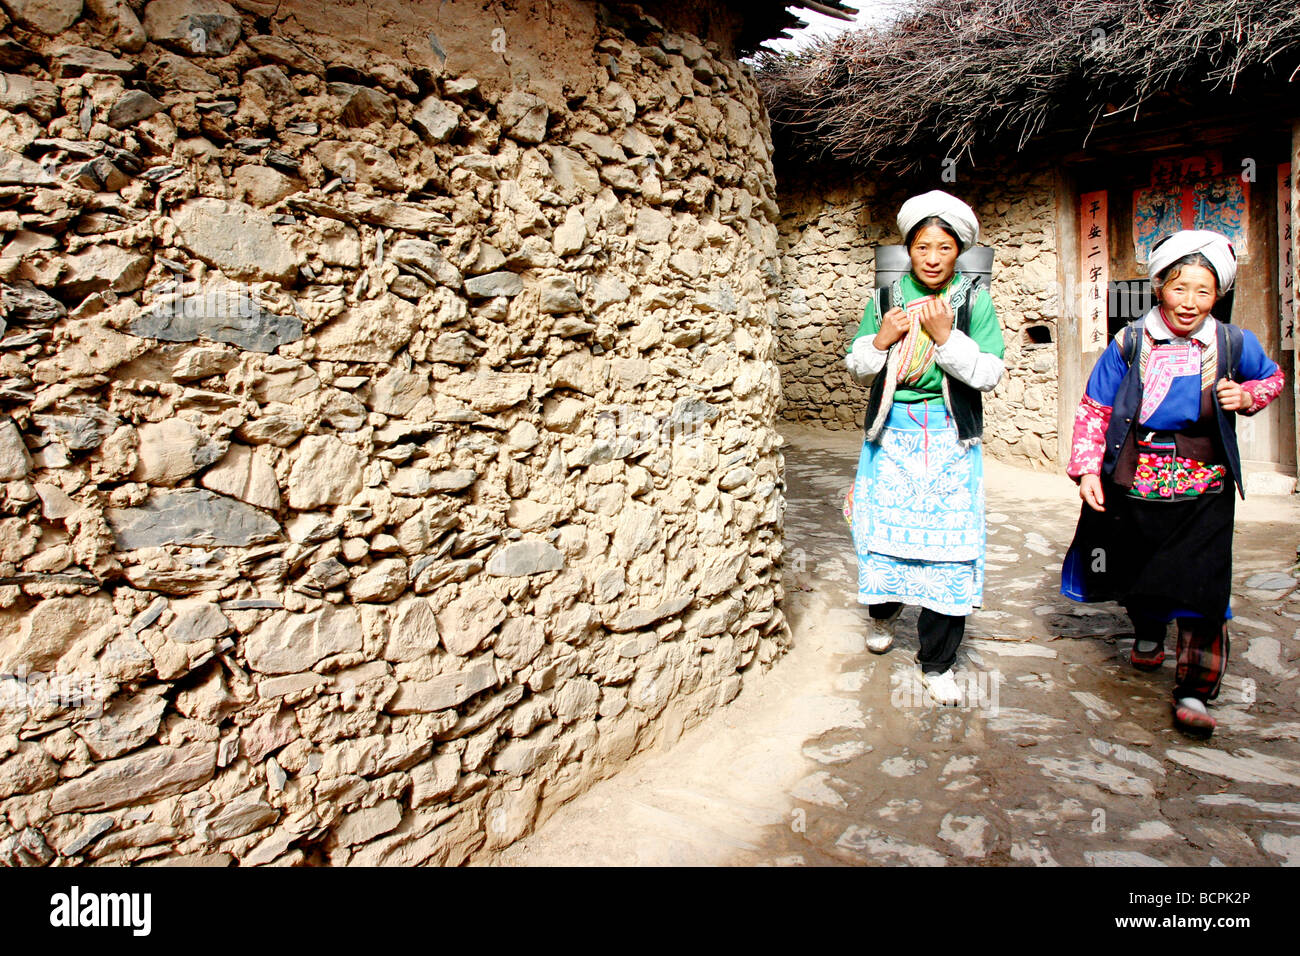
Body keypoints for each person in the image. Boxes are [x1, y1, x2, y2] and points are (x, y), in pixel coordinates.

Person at [1061, 229, 1284, 735]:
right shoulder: (1131, 341)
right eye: (1179, 288)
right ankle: (1146, 630)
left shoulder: (1232, 343)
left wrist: (1247, 398)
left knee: (1204, 583)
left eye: (1203, 292)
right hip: (1136, 476)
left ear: (1218, 295)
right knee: (1139, 565)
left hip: (1205, 483)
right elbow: (1095, 408)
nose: (1189, 303)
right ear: (1158, 285)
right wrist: (1087, 470)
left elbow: (1271, 378)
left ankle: (1194, 690)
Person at [845, 190, 1005, 706]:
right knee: (885, 535)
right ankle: (883, 613)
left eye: (943, 247)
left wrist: (946, 337)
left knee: (950, 552)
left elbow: (987, 373)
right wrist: (880, 341)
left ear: (959, 251)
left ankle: (937, 663)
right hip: (891, 437)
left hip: (951, 442)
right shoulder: (885, 301)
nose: (932, 258)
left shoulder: (975, 303)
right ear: (908, 250)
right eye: (922, 247)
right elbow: (856, 369)